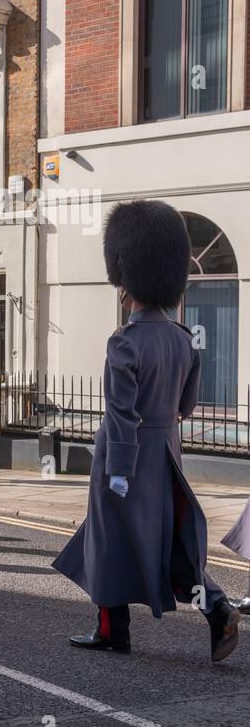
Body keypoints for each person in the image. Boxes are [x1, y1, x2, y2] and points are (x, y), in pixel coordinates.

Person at [54, 200, 240, 661]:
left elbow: (119, 413)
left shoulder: (123, 343)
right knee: (171, 543)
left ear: (125, 283)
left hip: (125, 455)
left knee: (109, 542)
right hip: (166, 454)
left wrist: (117, 469)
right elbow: (186, 406)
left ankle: (113, 631)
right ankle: (216, 609)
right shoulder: (183, 340)